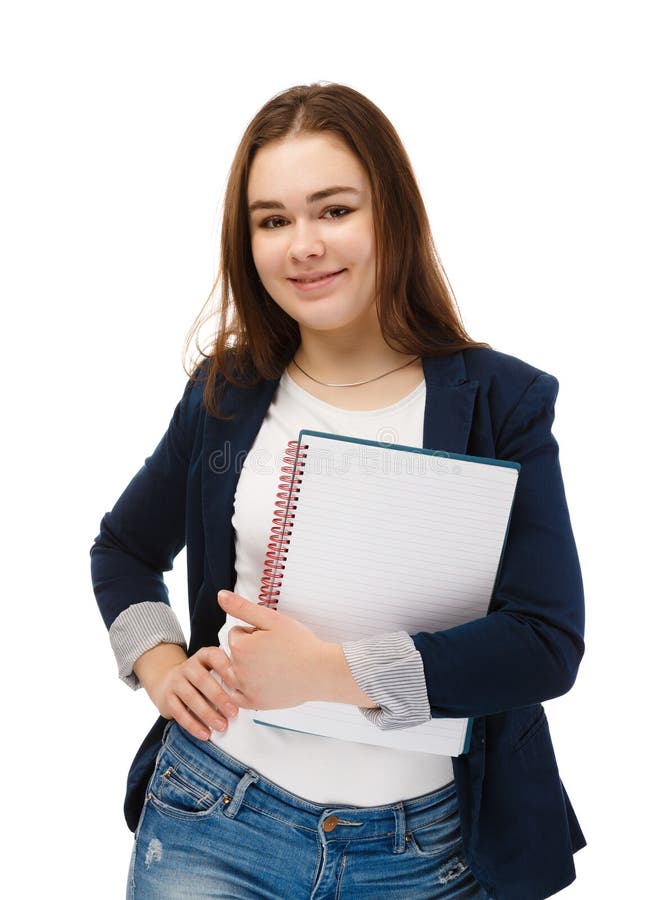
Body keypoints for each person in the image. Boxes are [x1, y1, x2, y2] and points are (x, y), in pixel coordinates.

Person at [91, 82, 586, 899]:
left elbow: (544, 640)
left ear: (390, 213)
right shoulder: (229, 391)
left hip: (427, 850)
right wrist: (158, 660)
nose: (303, 245)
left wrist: (329, 671)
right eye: (273, 220)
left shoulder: (501, 403)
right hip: (215, 816)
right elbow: (124, 550)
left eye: (333, 210)